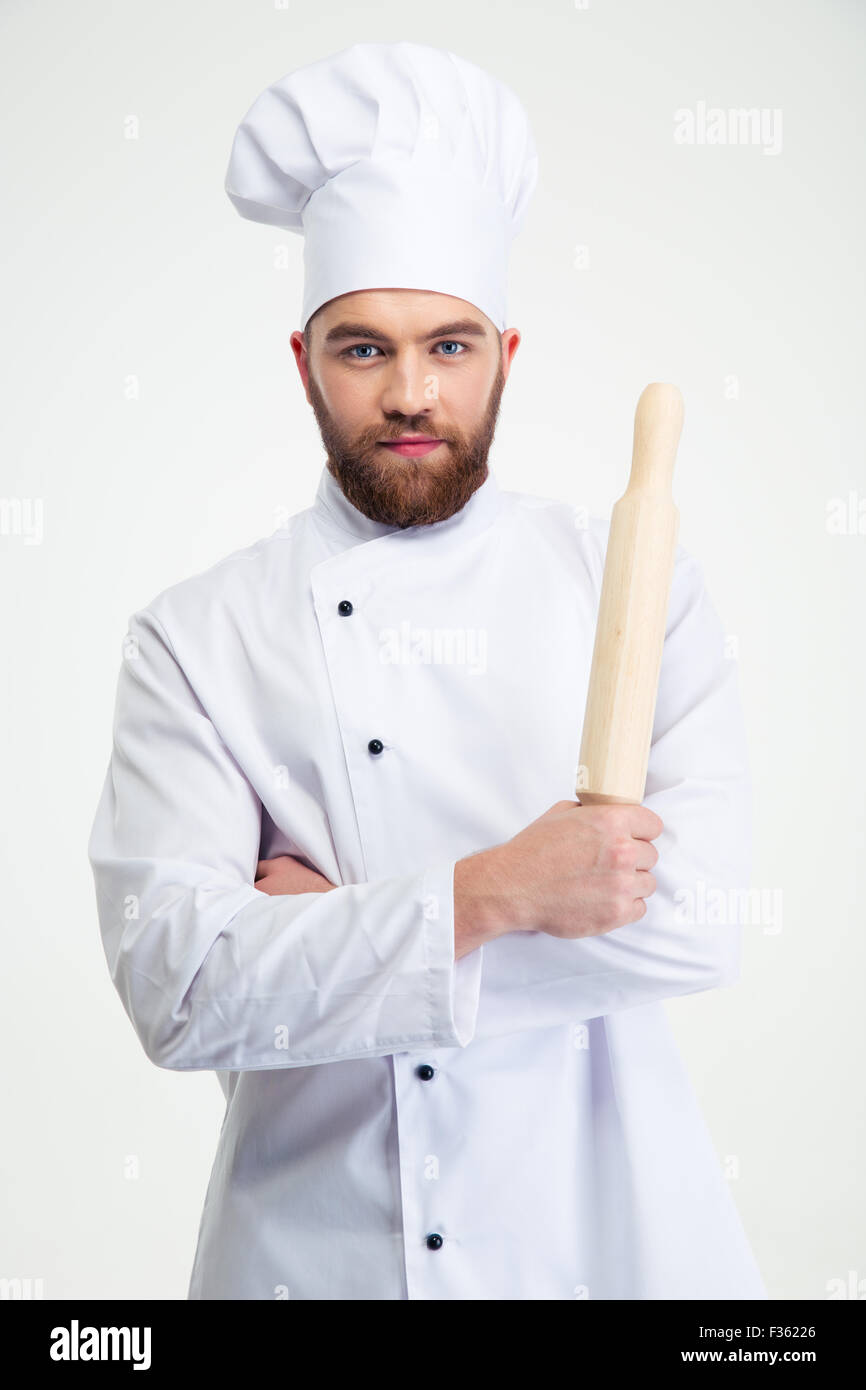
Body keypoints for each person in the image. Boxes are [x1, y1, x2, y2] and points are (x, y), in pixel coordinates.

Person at [87, 40, 767, 1300]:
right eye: (362, 350)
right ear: (301, 359)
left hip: (601, 1249)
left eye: (448, 346)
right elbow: (177, 988)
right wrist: (493, 892)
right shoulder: (194, 634)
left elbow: (694, 925)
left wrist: (321, 928)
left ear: (505, 350)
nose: (410, 395)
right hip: (303, 1262)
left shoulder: (631, 582)